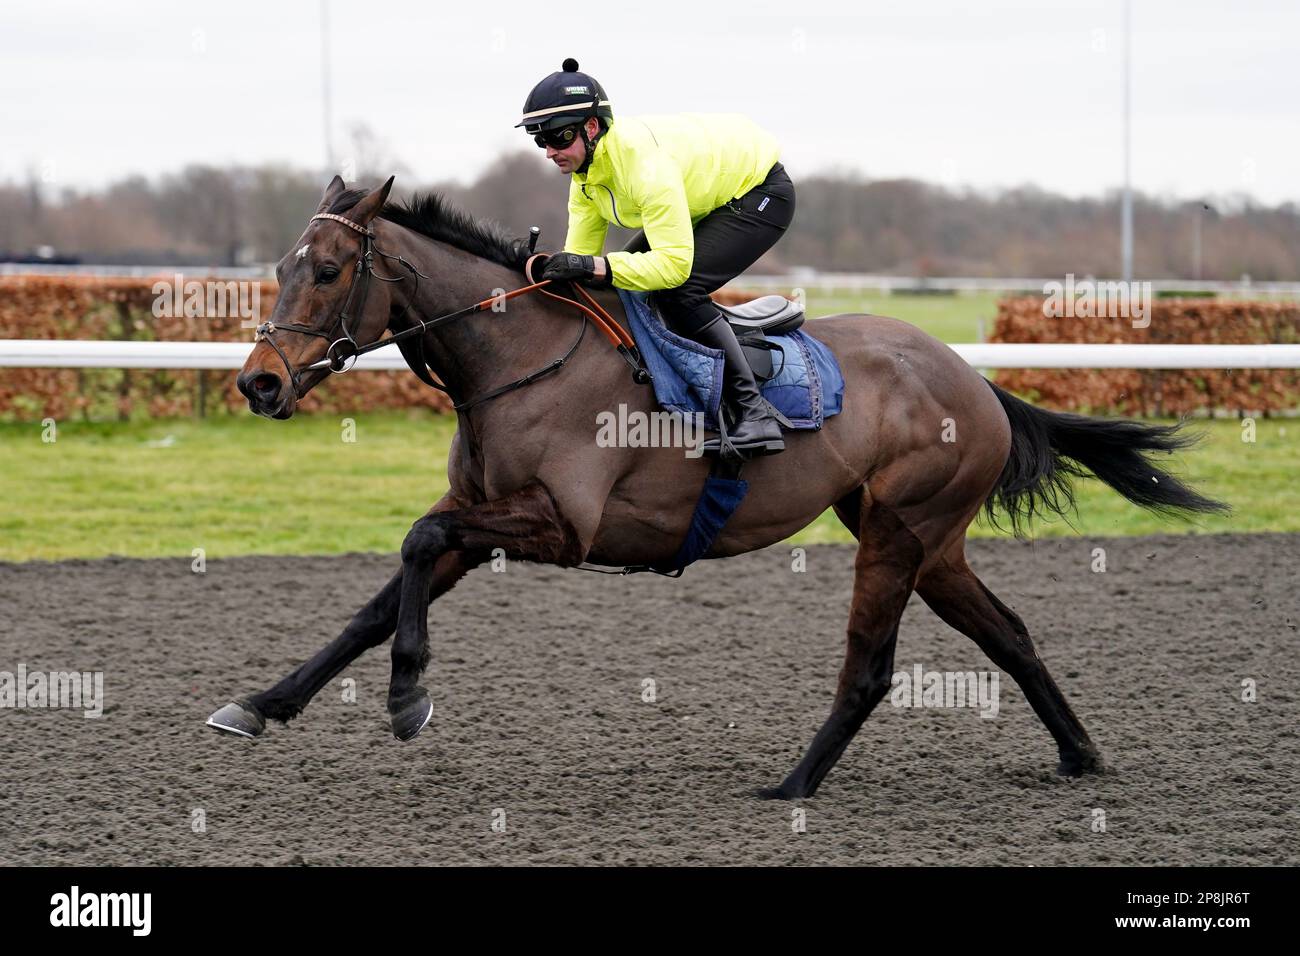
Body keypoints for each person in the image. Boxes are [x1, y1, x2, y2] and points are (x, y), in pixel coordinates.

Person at [517, 58, 796, 457]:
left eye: (557, 138)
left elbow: (673, 267)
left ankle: (753, 413)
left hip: (760, 193)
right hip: (707, 197)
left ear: (591, 128)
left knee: (678, 291)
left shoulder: (644, 168)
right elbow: (580, 263)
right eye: (538, 140)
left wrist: (596, 267)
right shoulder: (586, 181)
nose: (548, 152)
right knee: (625, 287)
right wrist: (544, 271)